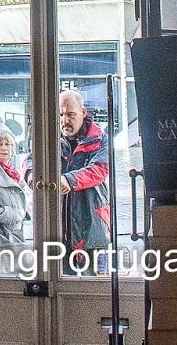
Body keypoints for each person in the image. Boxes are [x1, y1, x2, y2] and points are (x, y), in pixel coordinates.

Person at [57, 89, 110, 261]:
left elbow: (99, 169)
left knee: (95, 283)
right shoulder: (51, 139)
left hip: (93, 228)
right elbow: (31, 161)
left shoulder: (100, 139)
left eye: (71, 114)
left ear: (83, 112)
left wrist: (68, 179)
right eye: (61, 115)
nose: (65, 120)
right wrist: (32, 176)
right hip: (59, 230)